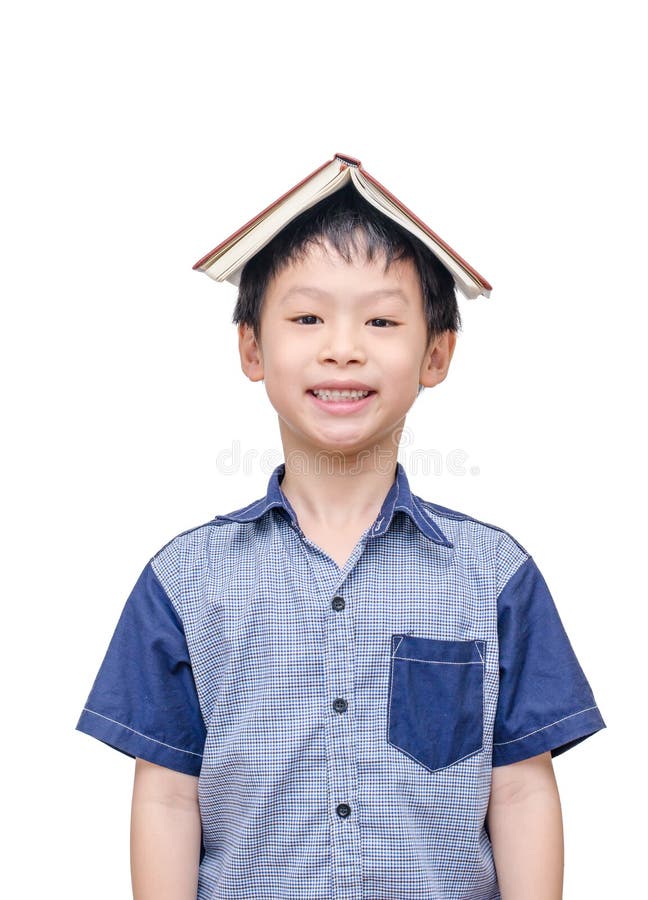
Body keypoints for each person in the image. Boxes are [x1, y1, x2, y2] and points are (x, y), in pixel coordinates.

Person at [76, 181, 606, 900]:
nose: (343, 349)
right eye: (306, 317)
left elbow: (518, 793)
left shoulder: (494, 577)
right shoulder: (184, 582)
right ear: (252, 347)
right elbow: (167, 797)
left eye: (382, 323)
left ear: (436, 355)